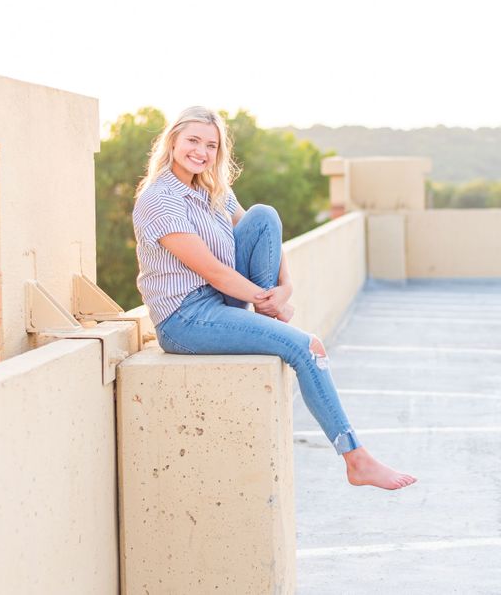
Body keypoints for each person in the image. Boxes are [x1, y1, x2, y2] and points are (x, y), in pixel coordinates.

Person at [132, 106, 417, 490]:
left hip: (224, 300)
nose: (201, 152)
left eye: (211, 145)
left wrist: (285, 288)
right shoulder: (159, 199)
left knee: (265, 215)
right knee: (307, 347)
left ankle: (268, 318)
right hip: (186, 318)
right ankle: (357, 460)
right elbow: (213, 271)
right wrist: (267, 301)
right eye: (193, 141)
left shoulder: (213, 188)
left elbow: (261, 234)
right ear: (173, 142)